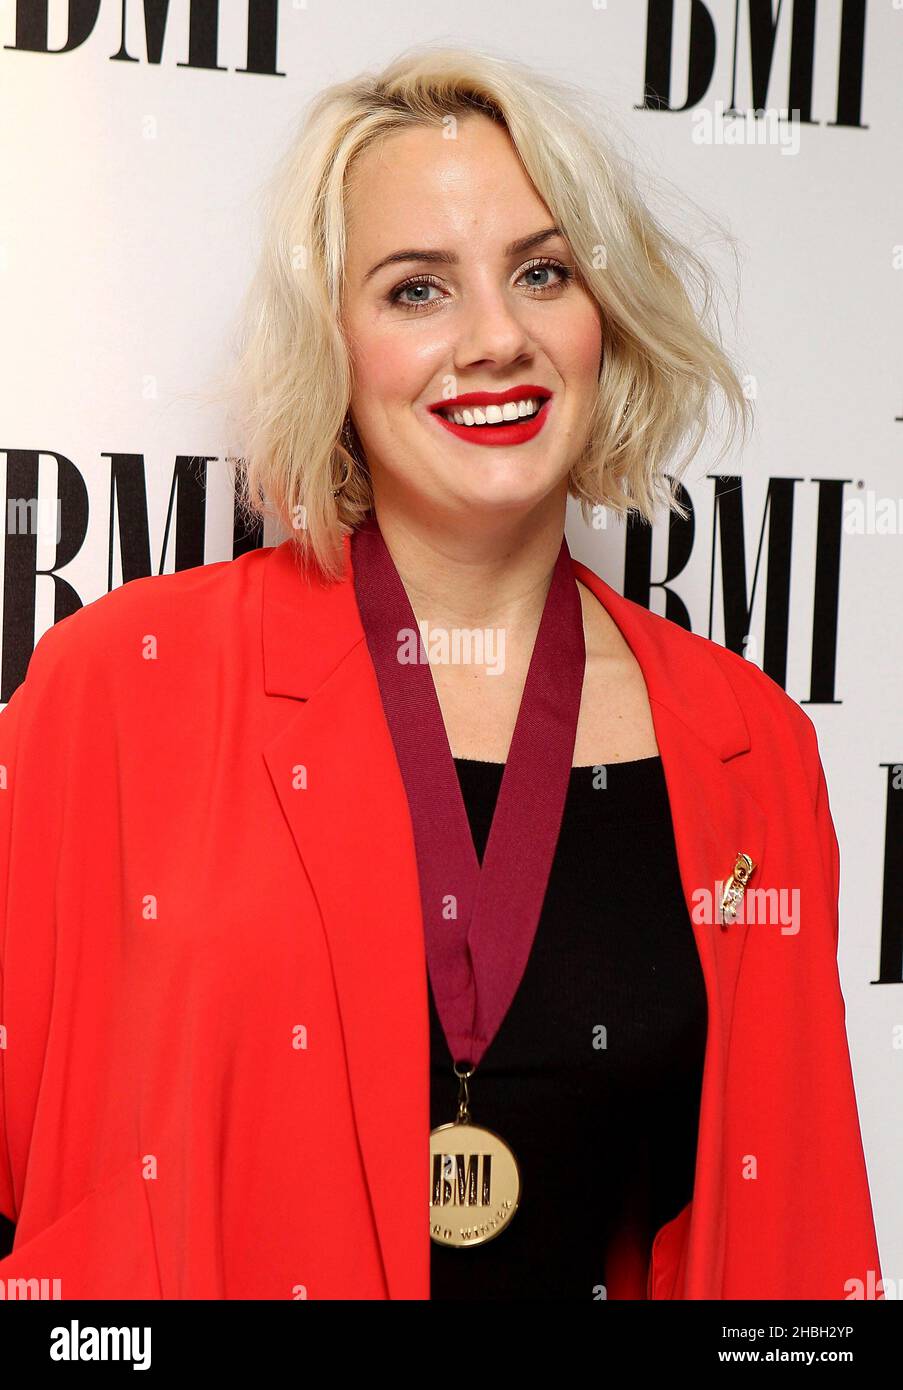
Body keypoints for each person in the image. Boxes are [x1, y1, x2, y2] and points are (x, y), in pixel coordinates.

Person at [0, 45, 882, 1300]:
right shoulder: (121, 689)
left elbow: (789, 1246)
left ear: (606, 315)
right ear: (334, 342)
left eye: (542, 272)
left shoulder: (748, 746)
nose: (497, 338)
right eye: (418, 289)